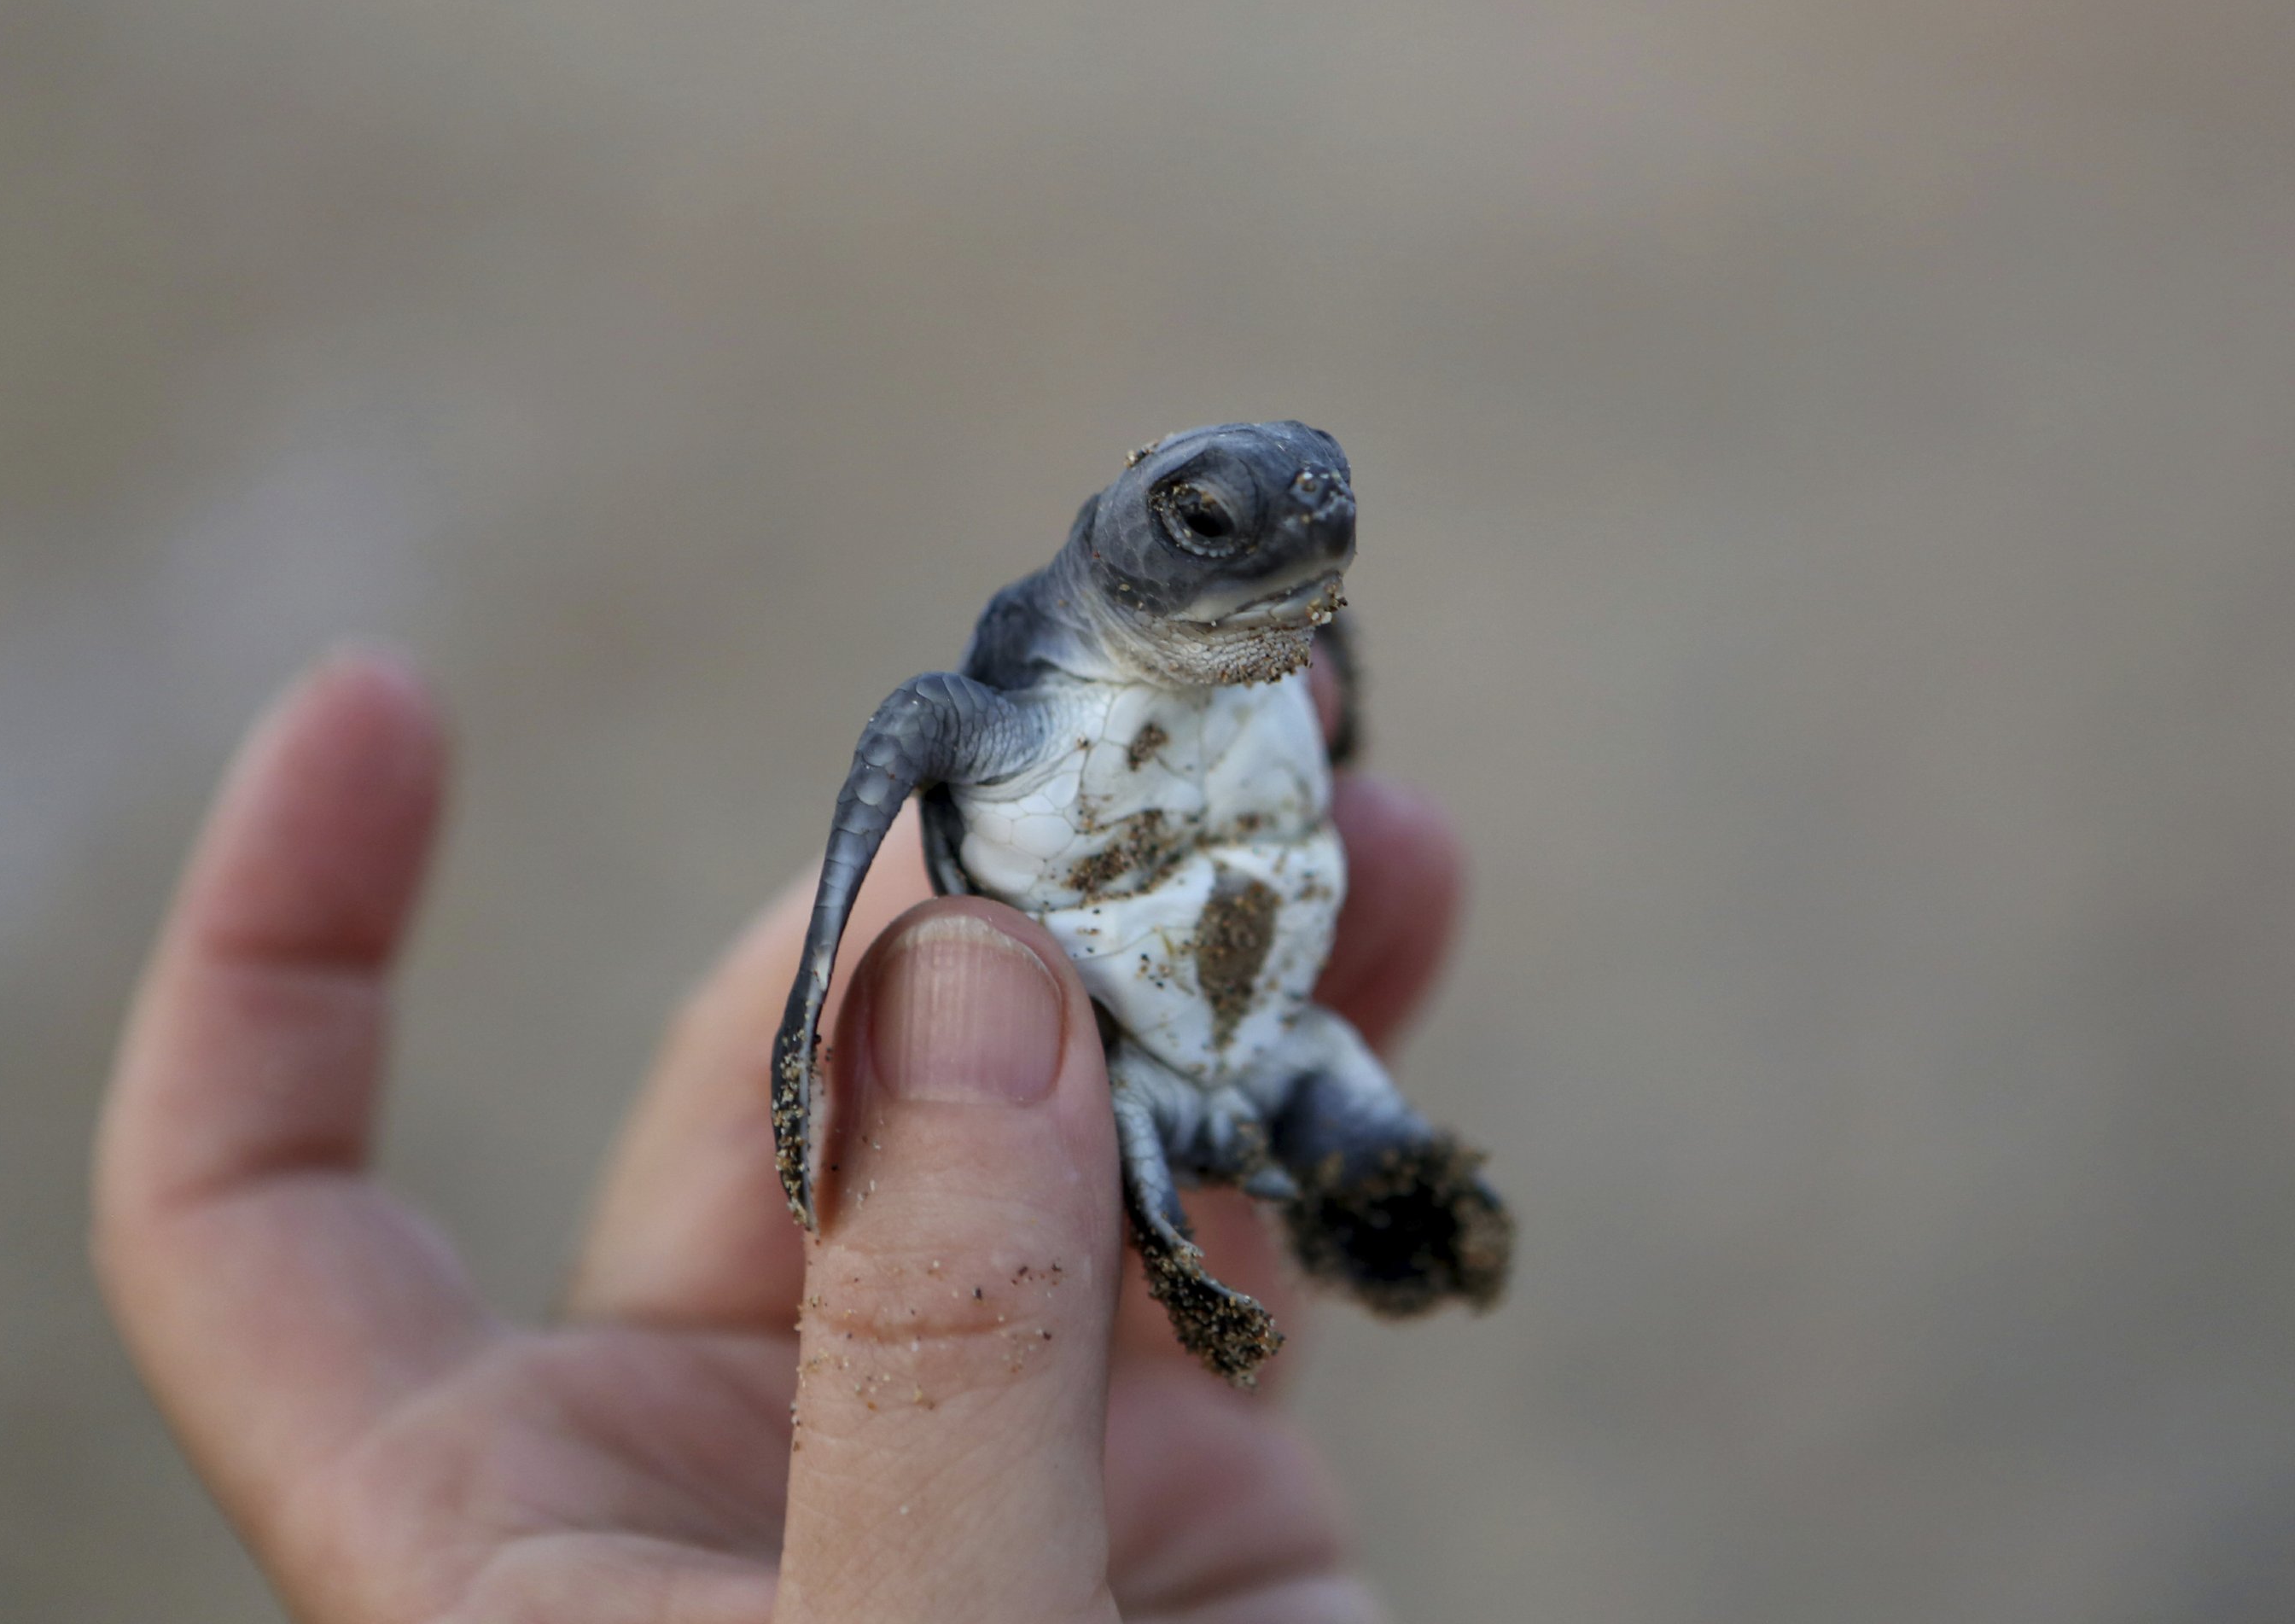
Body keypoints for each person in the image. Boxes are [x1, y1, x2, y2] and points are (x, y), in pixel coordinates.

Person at [92, 648, 1464, 1622]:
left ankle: (1366, 1209)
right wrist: (813, 1027)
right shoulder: (1011, 687)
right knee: (1119, 1098)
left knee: (1272, 1084)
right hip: (1143, 1020)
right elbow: (913, 755)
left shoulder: (1246, 693)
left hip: (1226, 981)